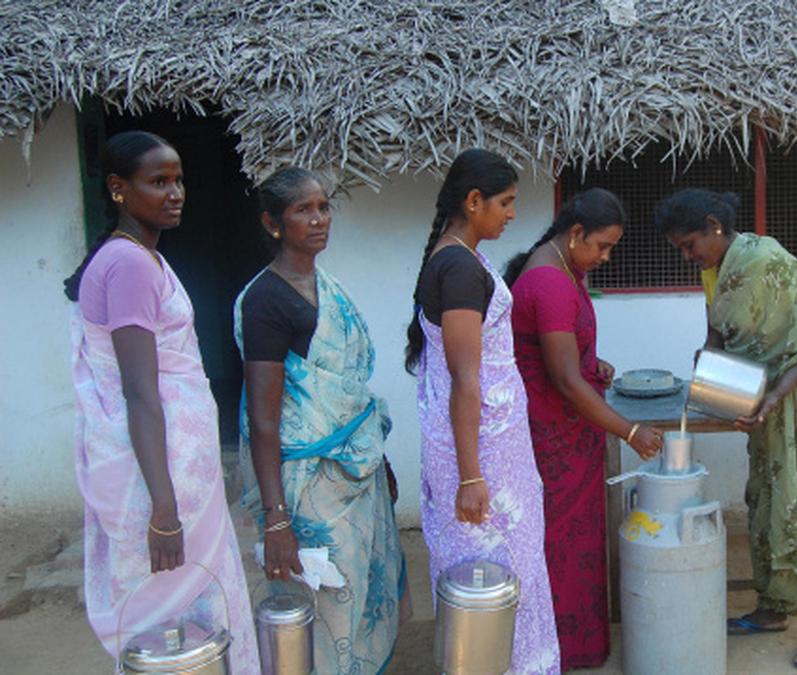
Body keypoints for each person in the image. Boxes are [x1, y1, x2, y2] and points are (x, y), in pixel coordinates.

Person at [63, 130, 260, 673]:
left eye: (178, 180)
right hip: (160, 476)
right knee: (179, 622)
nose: (175, 193)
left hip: (174, 468)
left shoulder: (140, 258)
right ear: (118, 188)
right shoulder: (128, 264)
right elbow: (139, 392)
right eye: (158, 182)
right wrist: (165, 511)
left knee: (189, 616)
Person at [655, 188, 797, 672]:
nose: (687, 256)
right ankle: (772, 609)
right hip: (761, 399)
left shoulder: (767, 261)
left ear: (713, 225)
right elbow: (717, 330)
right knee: (767, 502)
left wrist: (775, 396)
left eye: (689, 245)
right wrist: (708, 362)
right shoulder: (715, 269)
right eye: (680, 249)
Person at [235, 167, 410, 674]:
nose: (319, 219)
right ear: (273, 223)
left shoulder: (326, 287)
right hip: (307, 485)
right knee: (324, 602)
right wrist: (278, 519)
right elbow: (264, 420)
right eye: (303, 210)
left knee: (361, 594)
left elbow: (352, 395)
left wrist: (377, 460)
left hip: (354, 469)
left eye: (324, 207)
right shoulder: (265, 300)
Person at [406, 149, 561, 674]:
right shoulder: (458, 267)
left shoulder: (462, 259)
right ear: (474, 201)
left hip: (492, 446)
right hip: (480, 454)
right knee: (493, 574)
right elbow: (464, 378)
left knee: (509, 567)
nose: (512, 213)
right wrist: (471, 476)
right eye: (506, 202)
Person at [503, 188, 662, 669]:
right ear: (575, 234)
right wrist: (630, 431)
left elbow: (559, 355)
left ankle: (571, 646)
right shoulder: (550, 283)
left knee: (572, 542)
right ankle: (561, 649)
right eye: (603, 246)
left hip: (566, 433)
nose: (606, 256)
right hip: (555, 439)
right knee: (561, 545)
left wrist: (594, 363)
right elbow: (566, 382)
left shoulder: (558, 268)